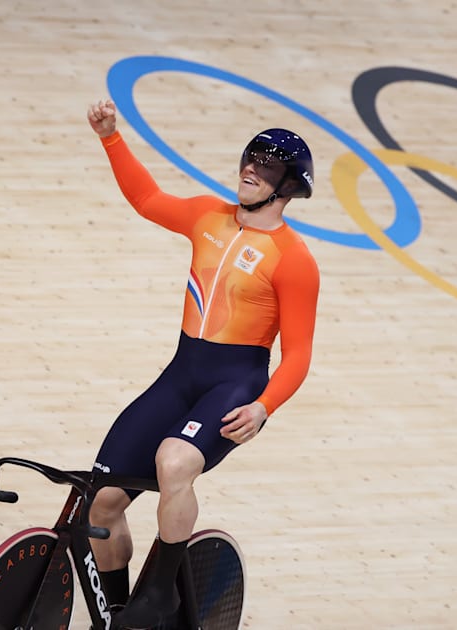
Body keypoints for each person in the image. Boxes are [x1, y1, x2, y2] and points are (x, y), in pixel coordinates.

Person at [84, 99, 320, 629]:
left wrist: (263, 407)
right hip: (182, 372)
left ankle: (161, 594)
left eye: (267, 166)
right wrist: (110, 137)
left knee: (174, 462)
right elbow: (147, 199)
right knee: (101, 500)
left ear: (288, 186)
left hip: (234, 382)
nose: (250, 169)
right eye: (249, 159)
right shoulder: (207, 216)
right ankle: (118, 617)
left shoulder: (295, 260)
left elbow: (299, 354)